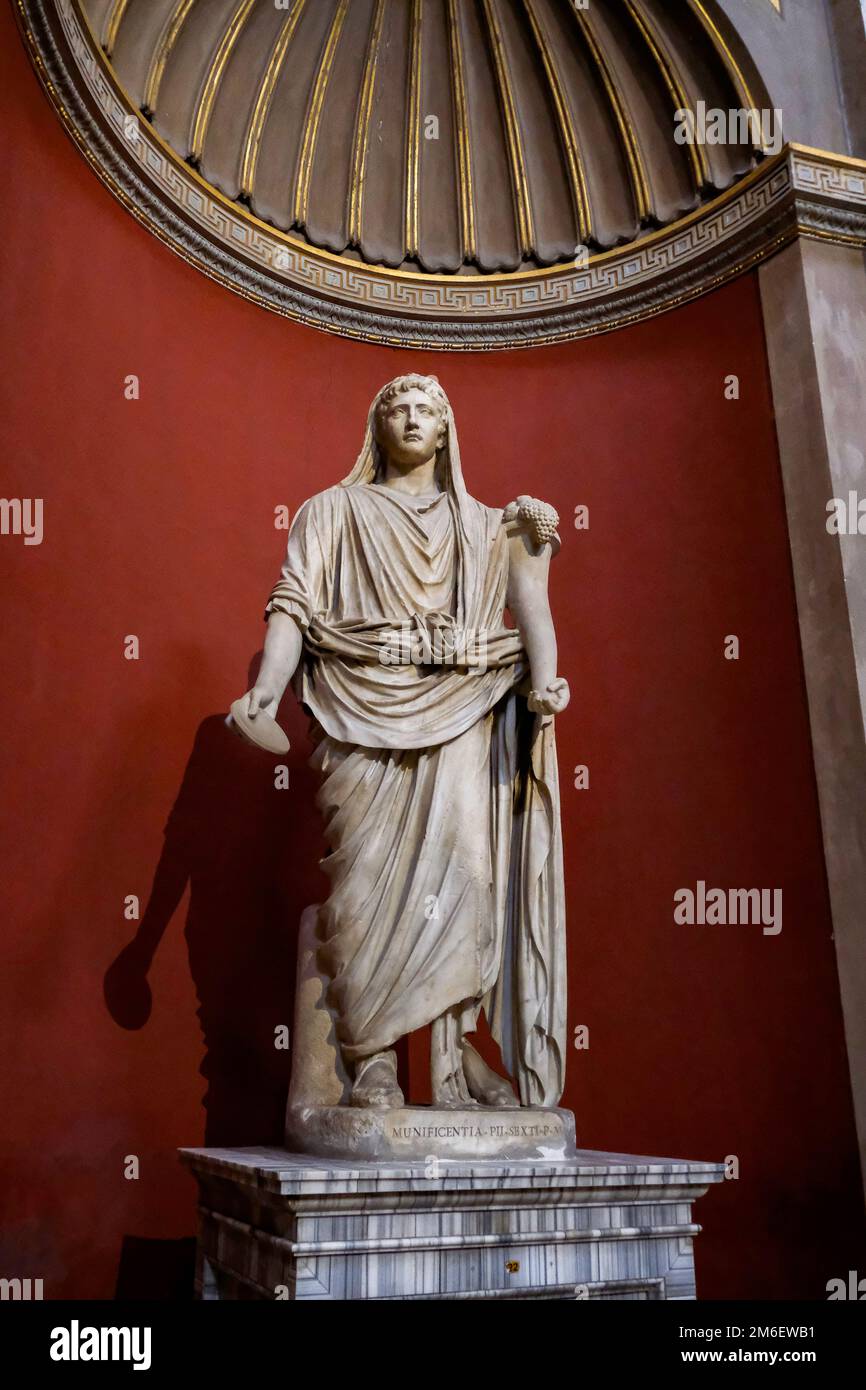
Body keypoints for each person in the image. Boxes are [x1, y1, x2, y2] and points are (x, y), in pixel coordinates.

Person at [242, 374, 569, 1109]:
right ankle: (372, 1058)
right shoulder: (332, 511)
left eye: (427, 409)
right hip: (358, 714)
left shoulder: (489, 527)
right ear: (375, 426)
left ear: (448, 429)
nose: (413, 418)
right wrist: (267, 685)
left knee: (466, 883)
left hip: (460, 711)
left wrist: (544, 683)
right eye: (398, 408)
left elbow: (530, 615)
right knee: (364, 887)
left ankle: (454, 1064)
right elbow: (294, 603)